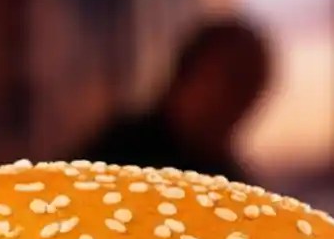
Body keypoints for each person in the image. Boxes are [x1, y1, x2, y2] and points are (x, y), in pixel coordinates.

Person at [72, 19, 271, 182]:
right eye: (232, 81)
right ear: (187, 72)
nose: (235, 103)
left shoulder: (232, 184)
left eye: (251, 88)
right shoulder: (118, 152)